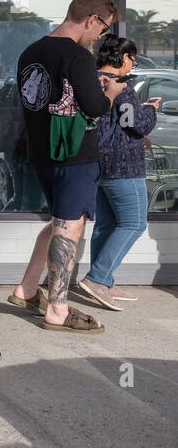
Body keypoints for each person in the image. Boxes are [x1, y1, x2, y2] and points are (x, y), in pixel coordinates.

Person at [8, 0, 116, 333]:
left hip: (42, 152)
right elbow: (96, 107)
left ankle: (25, 290)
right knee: (70, 226)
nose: (101, 37)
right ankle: (57, 307)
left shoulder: (31, 52)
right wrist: (109, 94)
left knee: (59, 222)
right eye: (103, 28)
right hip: (74, 154)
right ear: (92, 19)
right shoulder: (77, 55)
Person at [74, 34, 157, 310]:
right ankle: (97, 278)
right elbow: (135, 124)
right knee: (134, 223)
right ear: (122, 58)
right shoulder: (122, 85)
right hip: (124, 165)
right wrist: (151, 110)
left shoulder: (92, 80)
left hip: (98, 162)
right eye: (132, 58)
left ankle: (103, 283)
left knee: (107, 224)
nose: (133, 64)